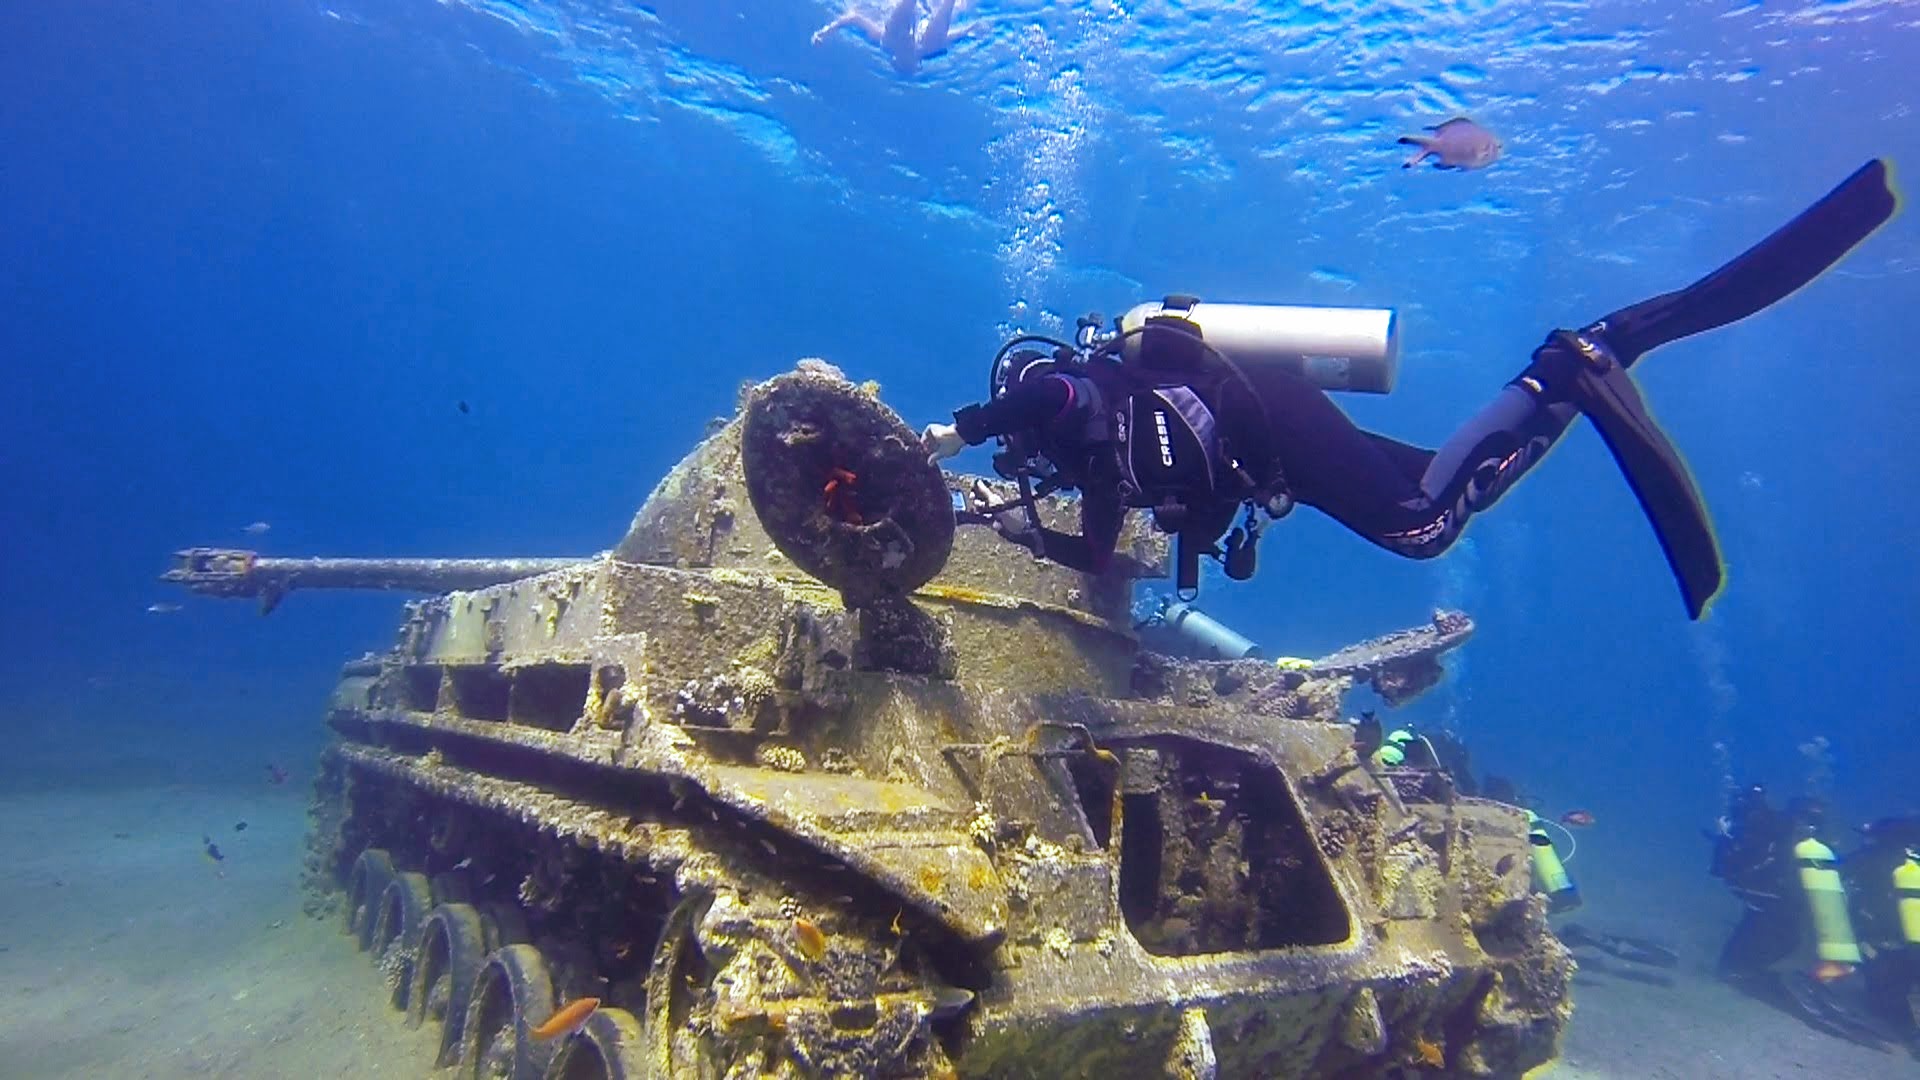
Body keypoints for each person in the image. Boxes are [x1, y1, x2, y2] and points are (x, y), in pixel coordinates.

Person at [922, 160, 1901, 619]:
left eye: (1018, 447)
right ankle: (1588, 365)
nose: (1024, 461)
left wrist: (950, 435)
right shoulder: (1101, 468)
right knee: (1435, 478)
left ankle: (1566, 367)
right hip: (1272, 435)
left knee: (1424, 526)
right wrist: (1014, 535)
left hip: (1271, 415)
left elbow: (1042, 405)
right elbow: (1101, 555)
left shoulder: (1077, 395)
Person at [812, 0, 968, 75]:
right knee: (937, 36)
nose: (909, 45)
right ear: (917, 59)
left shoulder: (887, 40)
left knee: (893, 32)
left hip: (898, 20)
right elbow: (953, 36)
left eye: (904, 52)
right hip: (926, 16)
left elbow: (855, 18)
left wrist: (825, 32)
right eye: (911, 54)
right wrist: (970, 30)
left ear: (895, 57)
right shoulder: (927, 47)